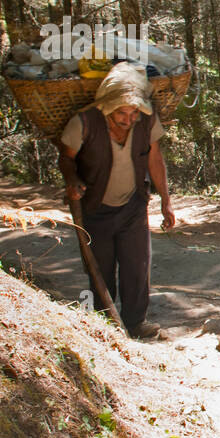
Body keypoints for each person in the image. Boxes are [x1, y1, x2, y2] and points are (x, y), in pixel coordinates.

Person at [57, 64, 175, 339]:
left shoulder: (146, 121)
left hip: (133, 205)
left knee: (137, 265)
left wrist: (166, 201)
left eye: (134, 112)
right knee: (101, 267)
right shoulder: (84, 123)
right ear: (107, 107)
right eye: (122, 112)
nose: (129, 118)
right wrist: (72, 180)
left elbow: (154, 159)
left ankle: (135, 323)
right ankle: (107, 326)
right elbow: (66, 157)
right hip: (95, 208)